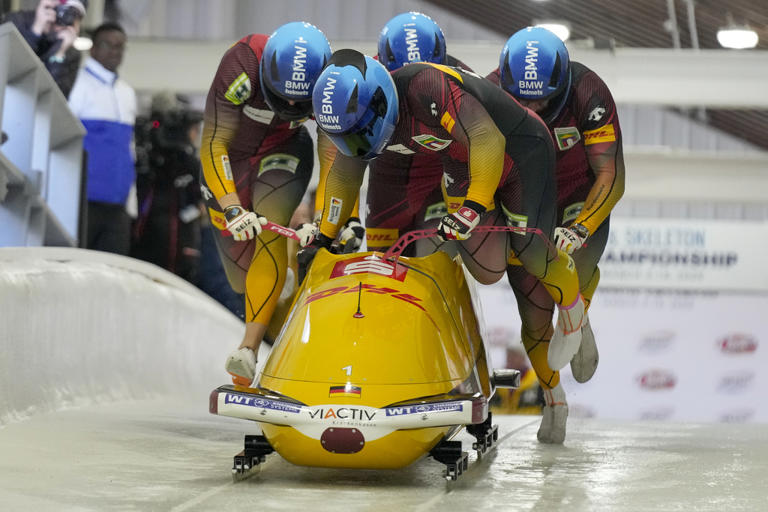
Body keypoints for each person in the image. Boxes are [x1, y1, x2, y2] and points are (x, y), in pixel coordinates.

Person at [306, 51, 586, 446]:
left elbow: (488, 138)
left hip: (519, 151)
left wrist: (473, 207)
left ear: (382, 100)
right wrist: (324, 236)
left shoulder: (425, 88)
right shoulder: (361, 123)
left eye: (362, 129)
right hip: (461, 164)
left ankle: (574, 313)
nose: (359, 141)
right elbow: (345, 174)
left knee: (531, 254)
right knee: (486, 270)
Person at [487, 26, 625, 440]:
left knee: (570, 270)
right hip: (524, 196)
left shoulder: (589, 93)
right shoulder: (487, 94)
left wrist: (582, 226)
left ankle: (578, 309)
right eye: (521, 100)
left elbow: (611, 174)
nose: (532, 107)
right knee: (533, 316)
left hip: (576, 195)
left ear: (562, 86)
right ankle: (553, 399)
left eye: (542, 100)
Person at [198, 22, 332, 387]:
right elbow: (213, 142)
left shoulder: (330, 84)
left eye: (299, 100)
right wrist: (230, 206)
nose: (290, 104)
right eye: (283, 95)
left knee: (270, 232)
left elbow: (335, 160)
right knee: (241, 279)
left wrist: (327, 217)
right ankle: (277, 275)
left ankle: (247, 352)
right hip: (232, 159)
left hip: (285, 150)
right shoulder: (240, 64)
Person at [365, 12, 474, 256]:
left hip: (439, 183)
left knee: (434, 266)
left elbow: (483, 146)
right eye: (403, 81)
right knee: (383, 270)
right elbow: (342, 155)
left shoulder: (463, 81)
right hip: (387, 187)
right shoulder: (365, 81)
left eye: (427, 80)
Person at [68, 21, 136, 255]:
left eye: (120, 46)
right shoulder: (76, 85)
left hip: (117, 203)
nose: (115, 51)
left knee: (112, 273)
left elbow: (129, 148)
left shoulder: (126, 92)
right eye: (108, 45)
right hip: (83, 200)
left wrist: (131, 202)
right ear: (93, 48)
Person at [132, 91, 204, 283]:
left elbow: (206, 202)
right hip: (145, 250)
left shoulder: (189, 164)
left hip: (182, 252)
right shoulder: (145, 159)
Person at [2, 0, 87, 98]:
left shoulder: (70, 52)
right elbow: (10, 69)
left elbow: (56, 99)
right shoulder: (18, 21)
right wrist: (35, 32)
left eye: (74, 15)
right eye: (64, 10)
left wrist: (59, 55)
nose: (67, 18)